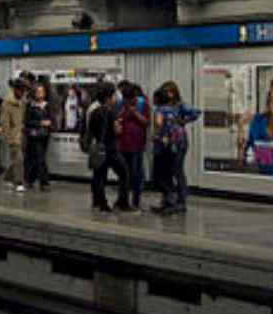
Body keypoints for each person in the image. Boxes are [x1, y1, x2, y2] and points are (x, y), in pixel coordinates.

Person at [151, 81, 201, 215]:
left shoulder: (179, 105)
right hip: (170, 143)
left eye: (169, 92)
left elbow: (196, 112)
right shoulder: (166, 107)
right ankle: (168, 201)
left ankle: (181, 201)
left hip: (178, 143)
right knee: (167, 172)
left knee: (177, 171)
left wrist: (182, 121)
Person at [81, 81, 119, 211]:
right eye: (113, 95)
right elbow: (92, 129)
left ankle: (98, 201)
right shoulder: (96, 109)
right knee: (99, 175)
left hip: (98, 145)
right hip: (98, 146)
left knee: (99, 175)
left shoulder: (99, 107)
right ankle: (100, 202)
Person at [113, 82, 149, 212]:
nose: (128, 102)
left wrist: (135, 114)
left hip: (137, 145)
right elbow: (115, 119)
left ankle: (136, 201)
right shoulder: (119, 104)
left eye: (131, 99)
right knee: (123, 174)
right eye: (126, 99)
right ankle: (122, 200)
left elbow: (146, 122)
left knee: (135, 174)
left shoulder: (142, 103)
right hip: (122, 145)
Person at [23, 82, 54, 191]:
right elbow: (27, 121)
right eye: (39, 91)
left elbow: (52, 119)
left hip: (44, 135)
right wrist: (40, 123)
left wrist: (49, 124)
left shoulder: (47, 105)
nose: (41, 93)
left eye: (43, 91)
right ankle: (44, 183)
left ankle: (29, 180)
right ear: (34, 93)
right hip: (34, 135)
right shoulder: (30, 106)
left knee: (38, 158)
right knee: (39, 159)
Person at [1, 79, 28, 192]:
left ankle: (8, 177)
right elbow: (4, 122)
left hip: (23, 134)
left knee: (17, 160)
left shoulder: (23, 102)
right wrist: (8, 137)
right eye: (20, 90)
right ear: (15, 90)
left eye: (23, 91)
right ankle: (19, 182)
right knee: (19, 159)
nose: (22, 93)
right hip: (13, 135)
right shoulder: (7, 103)